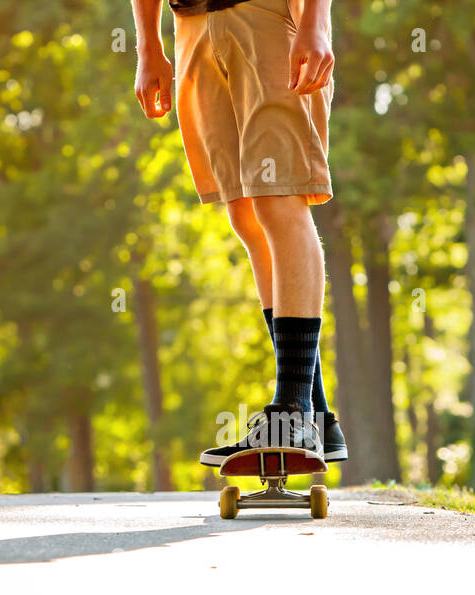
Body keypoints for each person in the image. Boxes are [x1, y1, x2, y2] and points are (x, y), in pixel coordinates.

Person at [130, 0, 347, 464]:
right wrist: (148, 43)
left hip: (267, 17)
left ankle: (292, 410)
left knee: (279, 198)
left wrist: (316, 23)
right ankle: (317, 415)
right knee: (245, 211)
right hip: (191, 25)